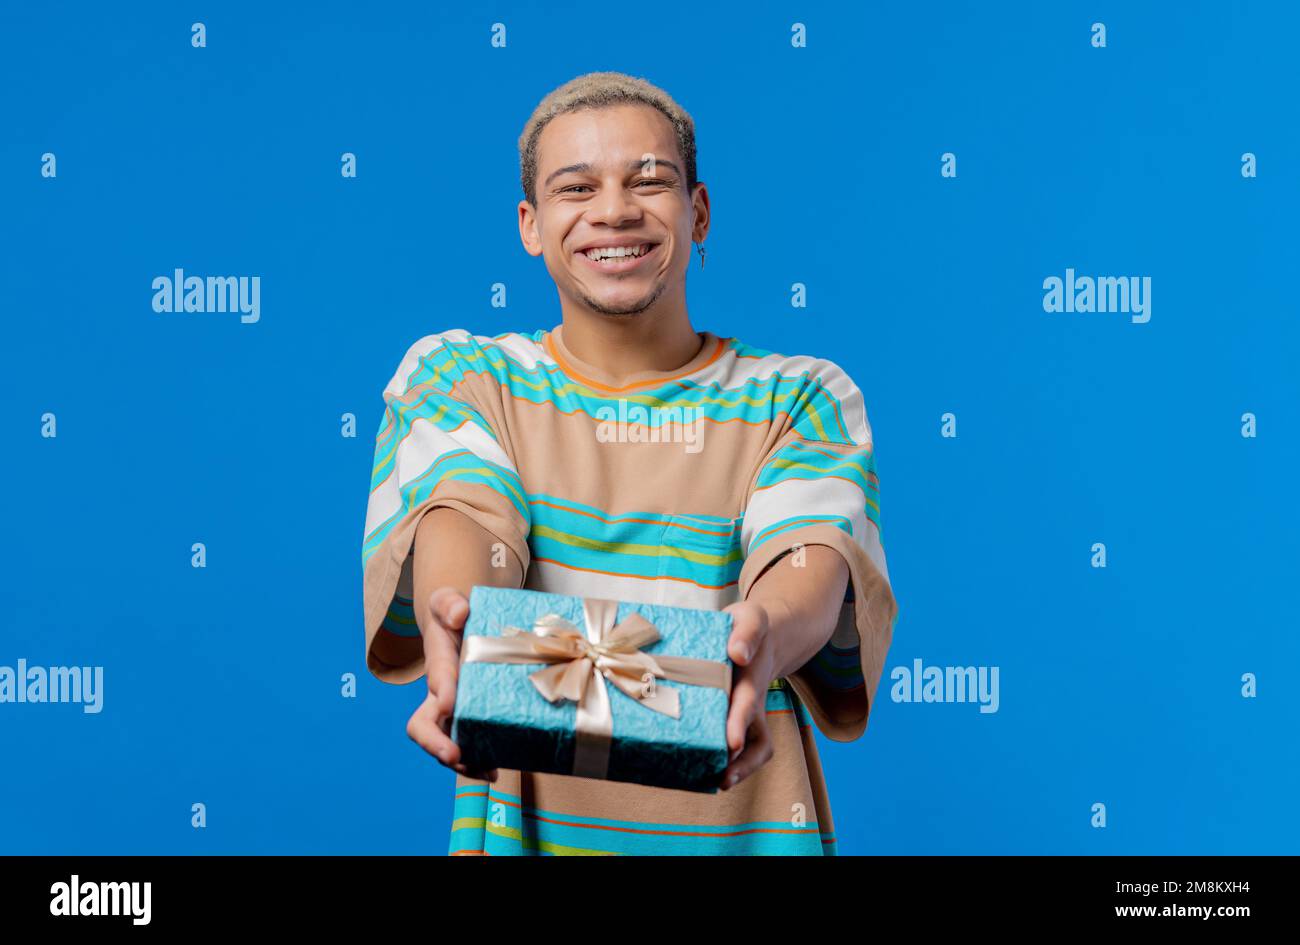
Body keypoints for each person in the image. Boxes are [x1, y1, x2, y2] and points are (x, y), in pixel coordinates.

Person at [361, 71, 899, 855]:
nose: (613, 210)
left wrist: (764, 637)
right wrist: (458, 611)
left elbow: (805, 555)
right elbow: (468, 512)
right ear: (531, 225)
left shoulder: (800, 396)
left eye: (649, 180)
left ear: (699, 211)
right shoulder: (459, 377)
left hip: (744, 825)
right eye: (575, 188)